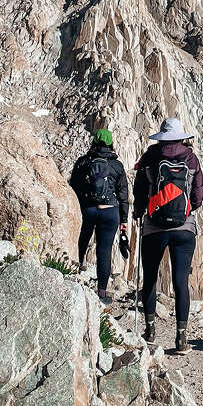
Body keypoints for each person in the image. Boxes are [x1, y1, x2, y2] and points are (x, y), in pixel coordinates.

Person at [132, 117, 203, 353]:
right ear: (181, 136)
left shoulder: (150, 157)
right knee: (181, 281)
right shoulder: (191, 158)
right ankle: (181, 339)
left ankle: (150, 331)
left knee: (150, 277)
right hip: (184, 228)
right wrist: (186, 209)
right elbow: (198, 195)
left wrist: (139, 212)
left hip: (154, 227)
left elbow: (140, 190)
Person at [70, 128, 129, 304]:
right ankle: (102, 294)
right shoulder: (117, 166)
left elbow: (73, 186)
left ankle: (74, 275)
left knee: (81, 241)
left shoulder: (83, 162)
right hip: (110, 212)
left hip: (87, 209)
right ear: (111, 144)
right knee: (104, 250)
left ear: (94, 142)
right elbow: (123, 194)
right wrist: (124, 219)